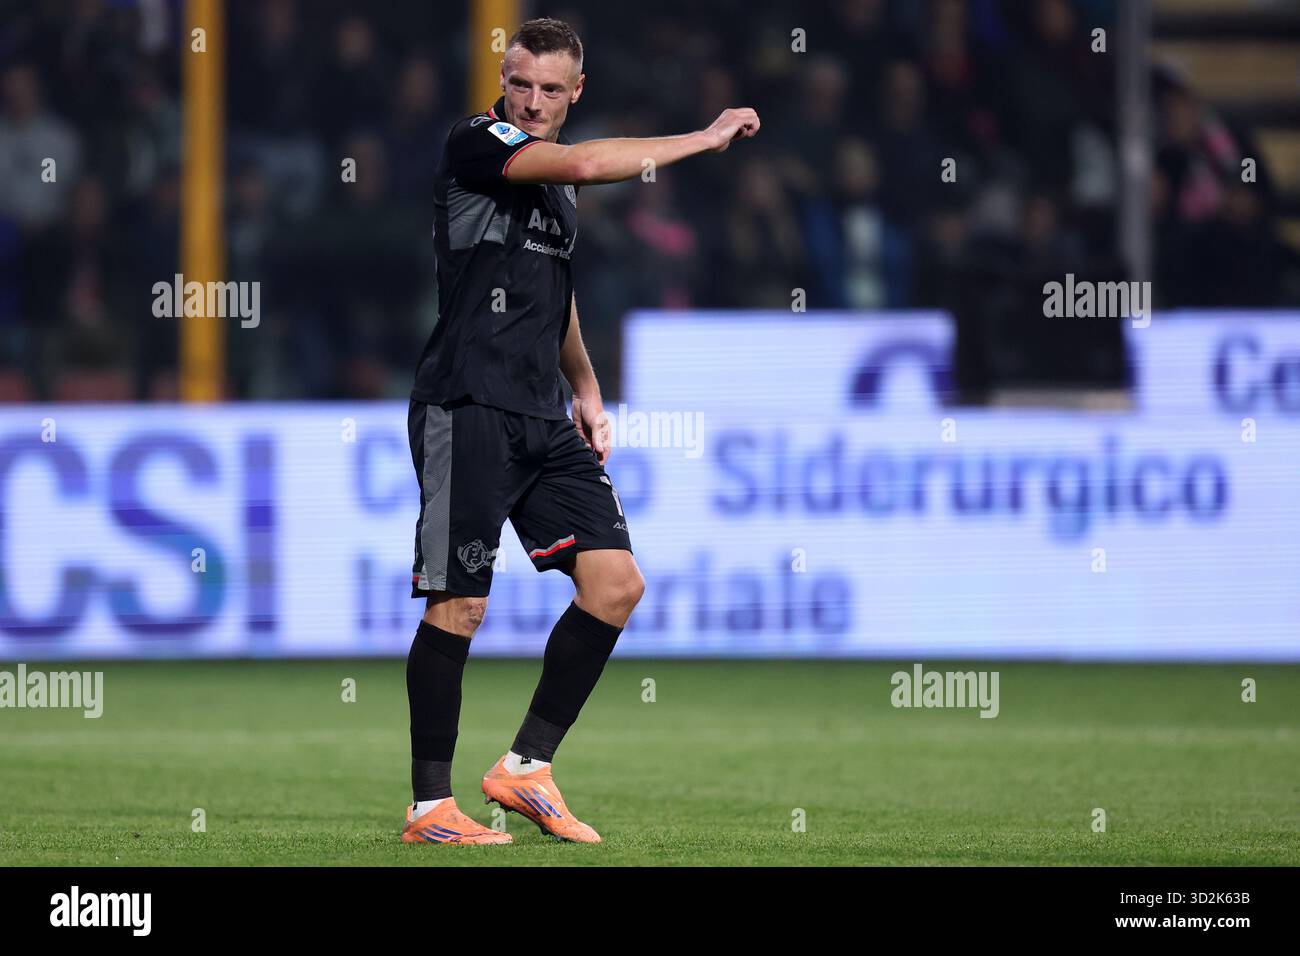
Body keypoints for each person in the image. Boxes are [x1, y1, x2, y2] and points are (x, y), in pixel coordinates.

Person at [402, 17, 760, 845]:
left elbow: (553, 297)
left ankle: (526, 768)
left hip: (539, 413)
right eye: (519, 82)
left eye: (550, 89)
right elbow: (594, 161)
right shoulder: (478, 142)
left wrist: (588, 390)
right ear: (503, 75)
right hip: (466, 404)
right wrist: (703, 139)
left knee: (616, 585)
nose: (531, 101)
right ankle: (429, 808)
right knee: (459, 606)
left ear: (576, 91)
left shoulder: (555, 193)